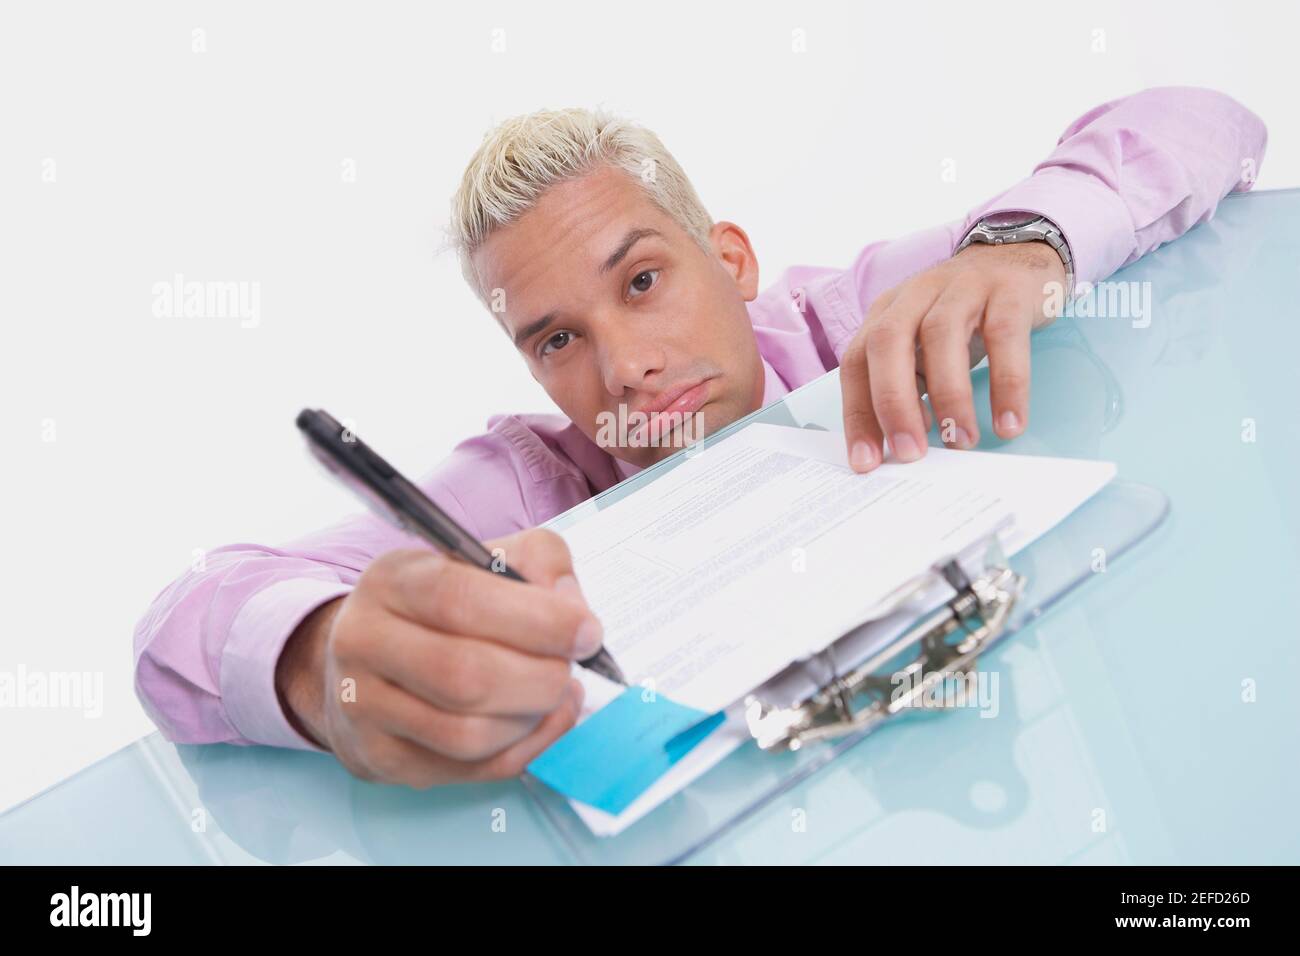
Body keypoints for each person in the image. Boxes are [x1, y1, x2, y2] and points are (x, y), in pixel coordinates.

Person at [134, 87, 1267, 788]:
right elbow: (184, 617)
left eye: (641, 279)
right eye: (556, 338)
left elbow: (1202, 118)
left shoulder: (854, 318)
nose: (622, 366)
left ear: (729, 260)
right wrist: (321, 660)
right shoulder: (532, 481)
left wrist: (1020, 245)